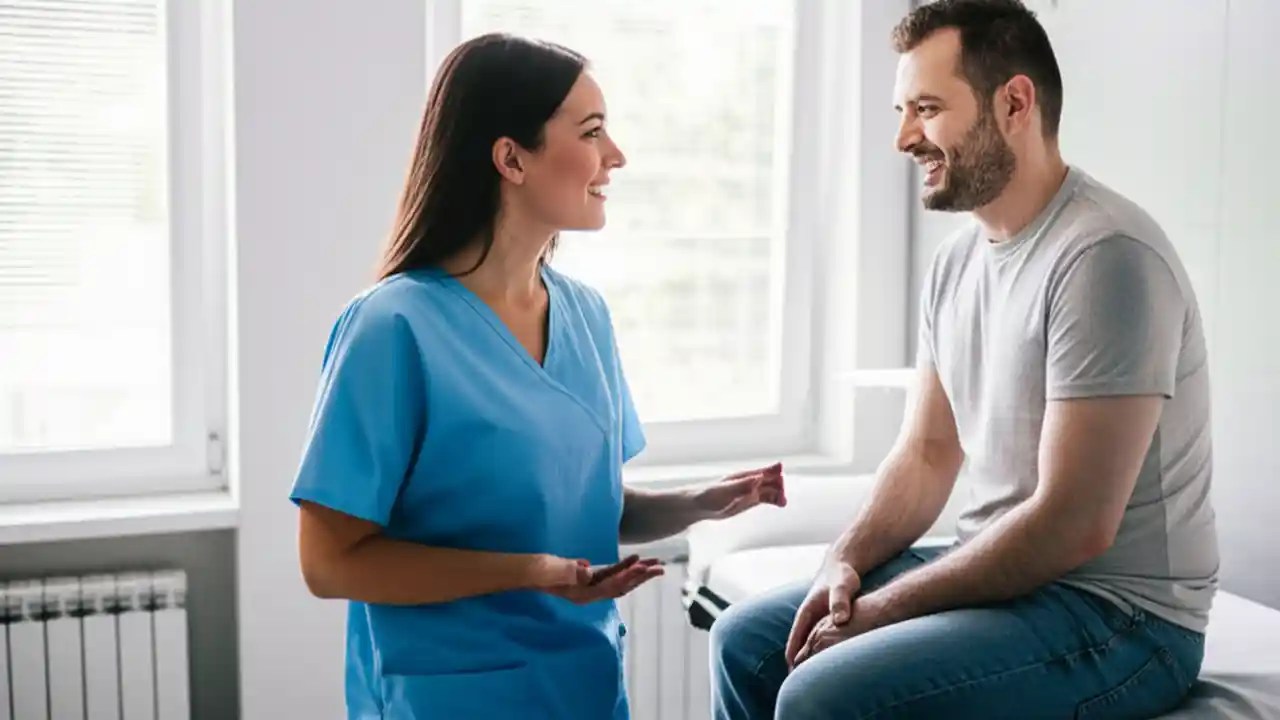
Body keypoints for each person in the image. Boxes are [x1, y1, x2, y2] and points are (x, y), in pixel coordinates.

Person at [710, 1, 1217, 718]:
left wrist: (883, 612)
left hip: (1121, 616)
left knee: (825, 695)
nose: (902, 138)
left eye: (925, 108)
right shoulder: (957, 265)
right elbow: (925, 455)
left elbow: (1076, 524)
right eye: (900, 109)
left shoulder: (1106, 258)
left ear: (1014, 102)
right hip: (1017, 584)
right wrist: (844, 562)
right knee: (745, 643)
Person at [289, 33, 787, 720]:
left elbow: (583, 507)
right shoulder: (391, 328)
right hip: (450, 693)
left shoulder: (586, 315)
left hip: (582, 682)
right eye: (591, 131)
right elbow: (329, 563)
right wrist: (529, 573)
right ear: (510, 158)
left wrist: (699, 502)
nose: (616, 155)